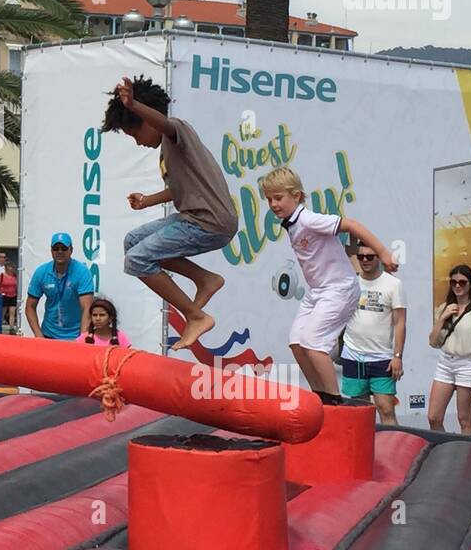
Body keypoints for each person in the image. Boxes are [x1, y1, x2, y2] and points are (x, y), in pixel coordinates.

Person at [103, 75, 238, 350]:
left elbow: (162, 122)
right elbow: (179, 189)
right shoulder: (167, 152)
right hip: (194, 217)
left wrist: (133, 104)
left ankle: (196, 316)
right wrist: (147, 200)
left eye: (135, 134)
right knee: (133, 242)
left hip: (209, 222)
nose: (138, 143)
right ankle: (204, 279)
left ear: (146, 120)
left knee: (137, 260)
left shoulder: (176, 132)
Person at [259, 166, 397, 398]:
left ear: (297, 196)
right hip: (318, 291)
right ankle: (319, 395)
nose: (273, 204)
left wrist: (383, 253)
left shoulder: (309, 219)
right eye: (269, 199)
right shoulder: (293, 223)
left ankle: (333, 400)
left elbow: (351, 225)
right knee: (296, 341)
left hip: (339, 289)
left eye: (278, 198)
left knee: (313, 342)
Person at [340, 244, 407, 423]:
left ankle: (391, 450)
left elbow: (400, 323)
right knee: (358, 414)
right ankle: (363, 451)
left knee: (386, 410)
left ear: (379, 257)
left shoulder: (393, 284)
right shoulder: (350, 282)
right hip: (353, 355)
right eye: (361, 257)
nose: (365, 261)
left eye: (370, 257)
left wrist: (398, 356)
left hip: (382, 358)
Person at [427, 263, 471, 434]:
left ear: (470, 284)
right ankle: (441, 450)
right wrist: (443, 317)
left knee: (465, 419)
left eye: (462, 282)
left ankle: (467, 456)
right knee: (433, 417)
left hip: (468, 364)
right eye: (454, 282)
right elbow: (433, 342)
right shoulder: (444, 308)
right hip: (445, 362)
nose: (457, 286)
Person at [25, 232, 95, 341]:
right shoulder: (41, 272)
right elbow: (30, 306)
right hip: (49, 334)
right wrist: (38, 335)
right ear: (51, 250)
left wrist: (83, 337)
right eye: (56, 248)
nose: (60, 252)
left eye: (64, 248)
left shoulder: (82, 272)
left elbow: (87, 308)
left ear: (71, 250)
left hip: (74, 335)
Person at [0, 262, 19, 332]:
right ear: (6, 267)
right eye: (10, 267)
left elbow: (17, 286)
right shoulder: (2, 275)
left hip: (13, 295)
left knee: (12, 312)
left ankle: (11, 327)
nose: (12, 269)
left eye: (13, 267)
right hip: (4, 295)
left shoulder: (15, 276)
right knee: (3, 312)